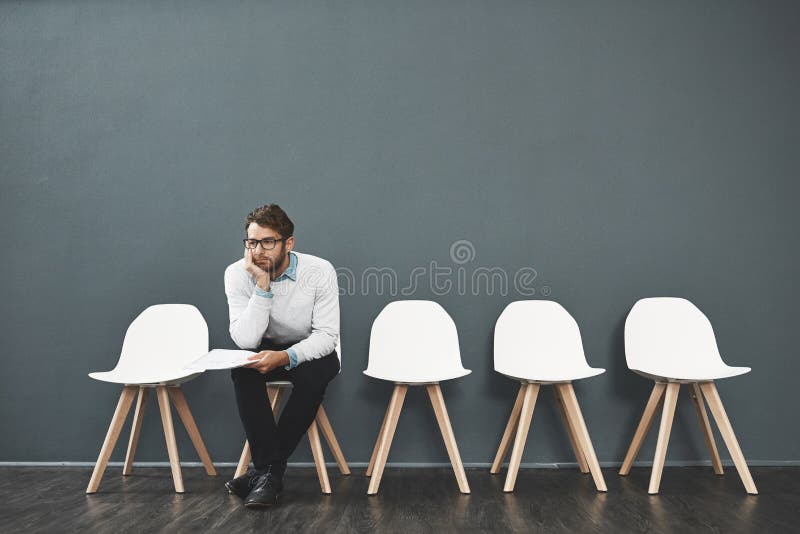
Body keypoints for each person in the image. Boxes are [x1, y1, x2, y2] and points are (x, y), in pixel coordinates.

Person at [223, 203, 340, 509]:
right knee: (242, 371)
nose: (258, 250)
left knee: (314, 378)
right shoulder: (237, 273)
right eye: (252, 242)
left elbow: (326, 336)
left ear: (289, 243)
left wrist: (285, 357)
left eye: (267, 242)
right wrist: (262, 287)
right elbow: (245, 339)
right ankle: (269, 473)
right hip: (263, 348)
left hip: (311, 349)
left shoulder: (319, 271)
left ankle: (264, 473)